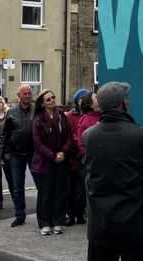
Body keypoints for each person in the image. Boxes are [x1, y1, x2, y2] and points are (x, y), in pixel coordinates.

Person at [83, 81, 143, 261]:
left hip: (101, 224)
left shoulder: (88, 135)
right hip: (136, 224)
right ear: (125, 104)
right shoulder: (142, 135)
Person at [30, 89, 72, 236]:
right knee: (45, 193)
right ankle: (44, 223)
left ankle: (58, 222)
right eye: (48, 99)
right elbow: (37, 143)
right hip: (45, 161)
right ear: (42, 103)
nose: (52, 100)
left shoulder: (62, 115)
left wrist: (62, 153)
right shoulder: (38, 119)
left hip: (60, 160)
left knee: (59, 192)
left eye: (53, 97)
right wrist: (53, 156)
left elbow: (69, 136)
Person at [0, 83, 34, 227]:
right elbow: (5, 134)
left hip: (34, 152)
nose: (27, 96)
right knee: (17, 186)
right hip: (16, 154)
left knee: (41, 184)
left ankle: (44, 214)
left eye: (29, 93)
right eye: (24, 94)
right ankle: (20, 215)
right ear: (18, 95)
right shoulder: (11, 112)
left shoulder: (37, 110)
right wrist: (1, 154)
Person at [72, 91, 101, 225]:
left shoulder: (103, 116)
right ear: (90, 103)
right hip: (90, 161)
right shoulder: (86, 120)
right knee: (86, 191)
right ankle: (77, 211)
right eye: (95, 97)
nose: (98, 97)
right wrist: (90, 157)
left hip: (102, 160)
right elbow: (81, 143)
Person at [63, 87, 88, 226]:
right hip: (73, 157)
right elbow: (70, 134)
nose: (82, 101)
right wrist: (77, 146)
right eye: (80, 98)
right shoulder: (70, 116)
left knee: (84, 188)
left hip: (83, 157)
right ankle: (70, 214)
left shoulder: (91, 115)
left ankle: (80, 212)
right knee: (70, 188)